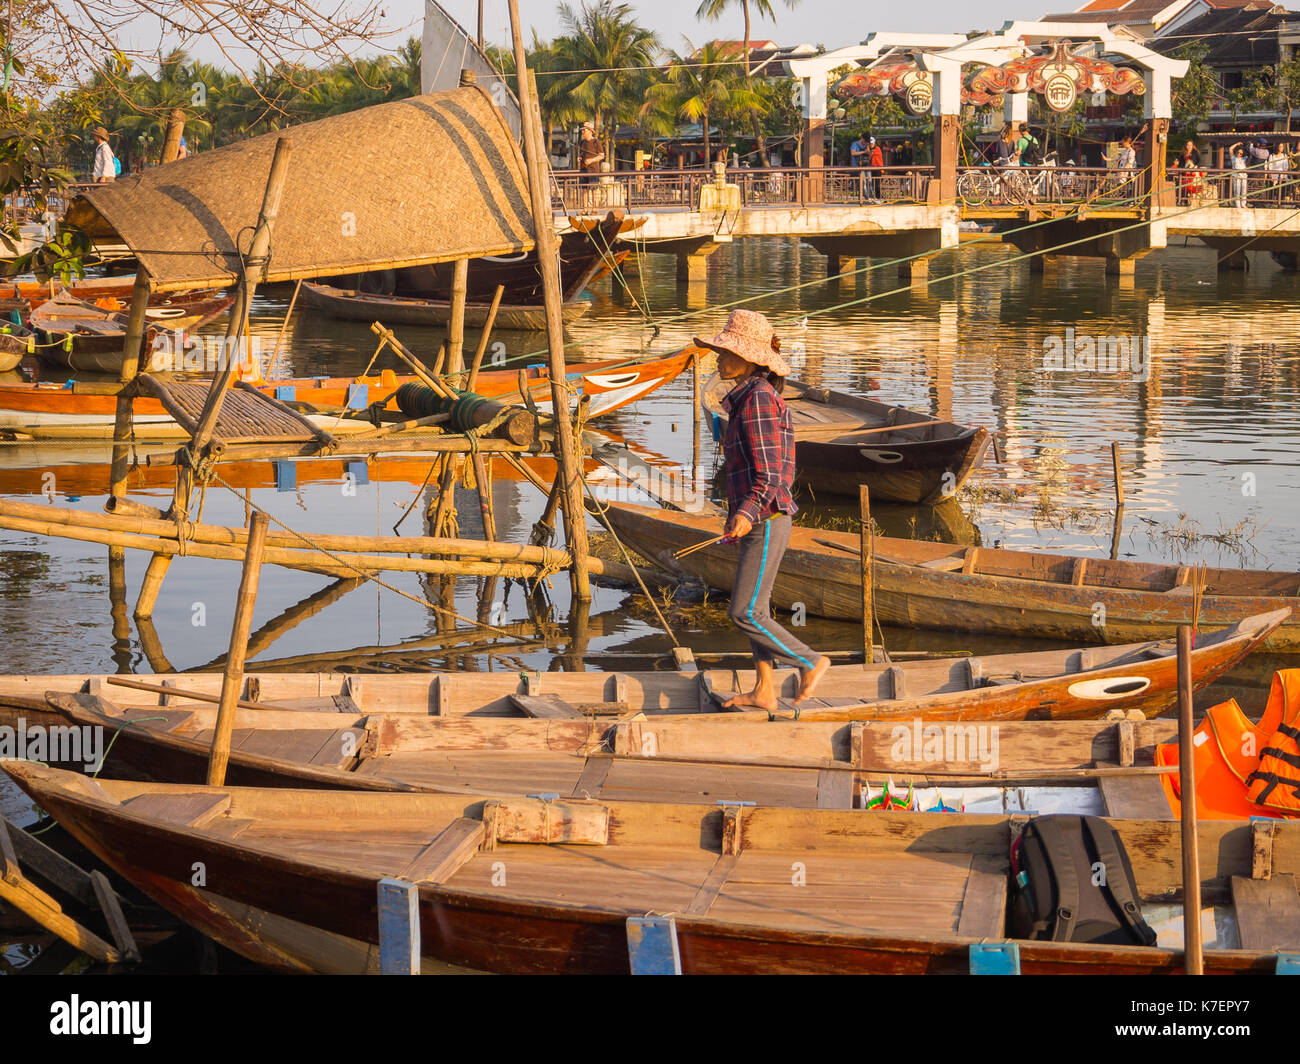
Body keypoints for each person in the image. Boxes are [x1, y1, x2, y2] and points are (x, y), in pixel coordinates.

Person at [693, 309, 830, 710]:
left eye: (725, 351)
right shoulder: (745, 399)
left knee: (744, 612)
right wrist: (738, 514)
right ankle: (764, 689)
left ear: (750, 359)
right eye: (719, 349)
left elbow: (772, 476)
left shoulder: (758, 400)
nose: (718, 356)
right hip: (757, 518)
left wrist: (747, 513)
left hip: (768, 519)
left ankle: (810, 660)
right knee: (760, 608)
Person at [1228, 141, 1248, 208]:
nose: (1239, 154)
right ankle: (1238, 205)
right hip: (1236, 176)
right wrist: (1236, 144)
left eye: (1241, 153)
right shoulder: (1233, 158)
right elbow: (1230, 149)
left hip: (1244, 176)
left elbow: (1250, 153)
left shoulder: (1244, 159)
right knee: (1237, 191)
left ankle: (1243, 204)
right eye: (1238, 152)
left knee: (1244, 191)